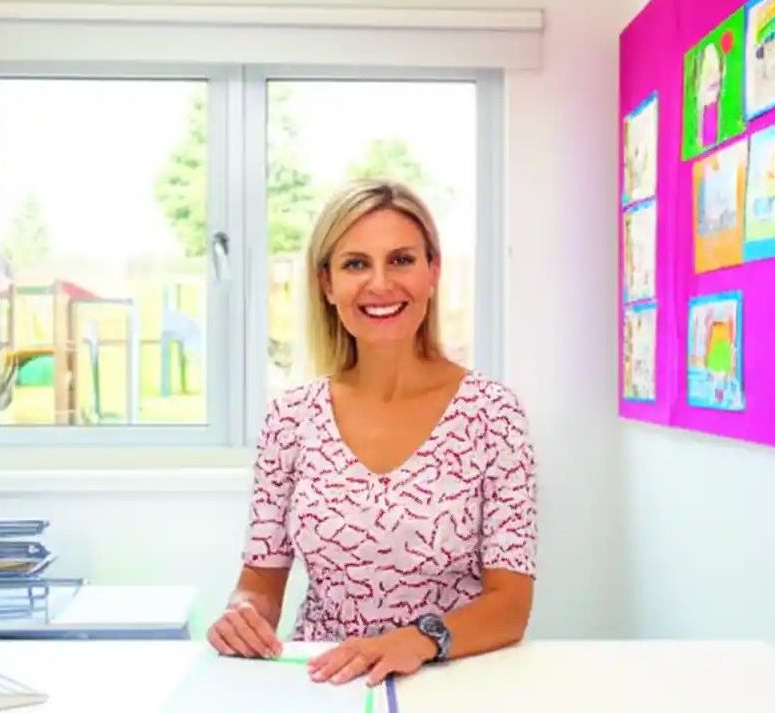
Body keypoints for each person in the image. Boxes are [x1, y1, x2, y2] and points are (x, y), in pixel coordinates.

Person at [206, 179, 538, 687]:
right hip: (324, 683)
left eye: (402, 260)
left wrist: (419, 639)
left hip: (455, 680)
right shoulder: (290, 419)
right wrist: (242, 615)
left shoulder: (493, 414)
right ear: (327, 284)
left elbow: (510, 606)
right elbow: (260, 583)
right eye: (356, 264)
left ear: (434, 271)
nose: (380, 284)